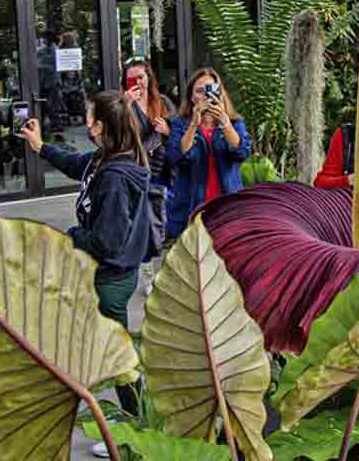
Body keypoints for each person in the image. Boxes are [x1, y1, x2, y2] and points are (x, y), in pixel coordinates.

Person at [19, 91, 150, 456]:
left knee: (120, 361)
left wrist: (72, 237)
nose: (85, 122)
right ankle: (134, 426)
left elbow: (106, 242)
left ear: (102, 127)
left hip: (110, 279)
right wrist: (41, 147)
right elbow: (78, 165)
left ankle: (135, 434)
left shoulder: (115, 177)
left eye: (90, 117)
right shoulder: (105, 161)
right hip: (108, 275)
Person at [167, 69, 253, 238]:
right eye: (200, 91)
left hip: (226, 208)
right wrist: (193, 124)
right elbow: (176, 156)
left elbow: (243, 152)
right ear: (192, 97)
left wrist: (225, 124)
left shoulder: (235, 123)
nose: (206, 95)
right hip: (191, 207)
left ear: (220, 93)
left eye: (210, 89)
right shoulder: (180, 124)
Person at [123, 58, 175, 241]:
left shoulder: (163, 102)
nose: (138, 82)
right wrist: (126, 106)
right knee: (143, 219)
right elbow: (119, 137)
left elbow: (179, 132)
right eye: (132, 79)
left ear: (149, 77)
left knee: (163, 214)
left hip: (164, 168)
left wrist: (167, 131)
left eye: (141, 77)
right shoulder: (122, 105)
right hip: (138, 169)